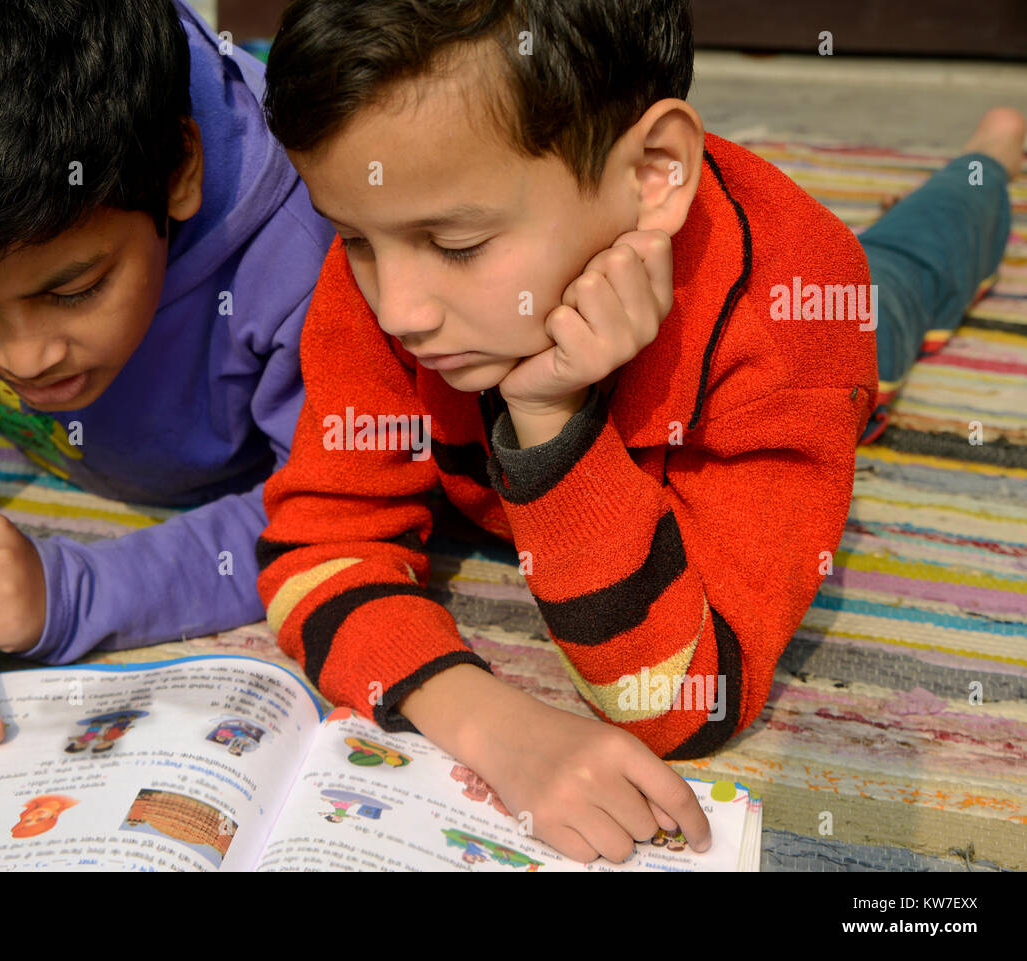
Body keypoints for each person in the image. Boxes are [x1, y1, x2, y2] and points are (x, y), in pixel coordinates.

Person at [253, 0, 1022, 862]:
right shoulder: (390, 262)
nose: (398, 309)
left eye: (458, 243)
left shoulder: (794, 304)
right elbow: (312, 553)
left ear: (656, 170)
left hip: (842, 323)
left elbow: (687, 697)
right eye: (353, 237)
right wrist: (494, 722)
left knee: (913, 269)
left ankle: (987, 158)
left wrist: (550, 423)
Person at [0, 0, 334, 785]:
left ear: (182, 168)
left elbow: (329, 507)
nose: (24, 355)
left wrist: (72, 592)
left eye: (76, 289)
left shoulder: (308, 232)